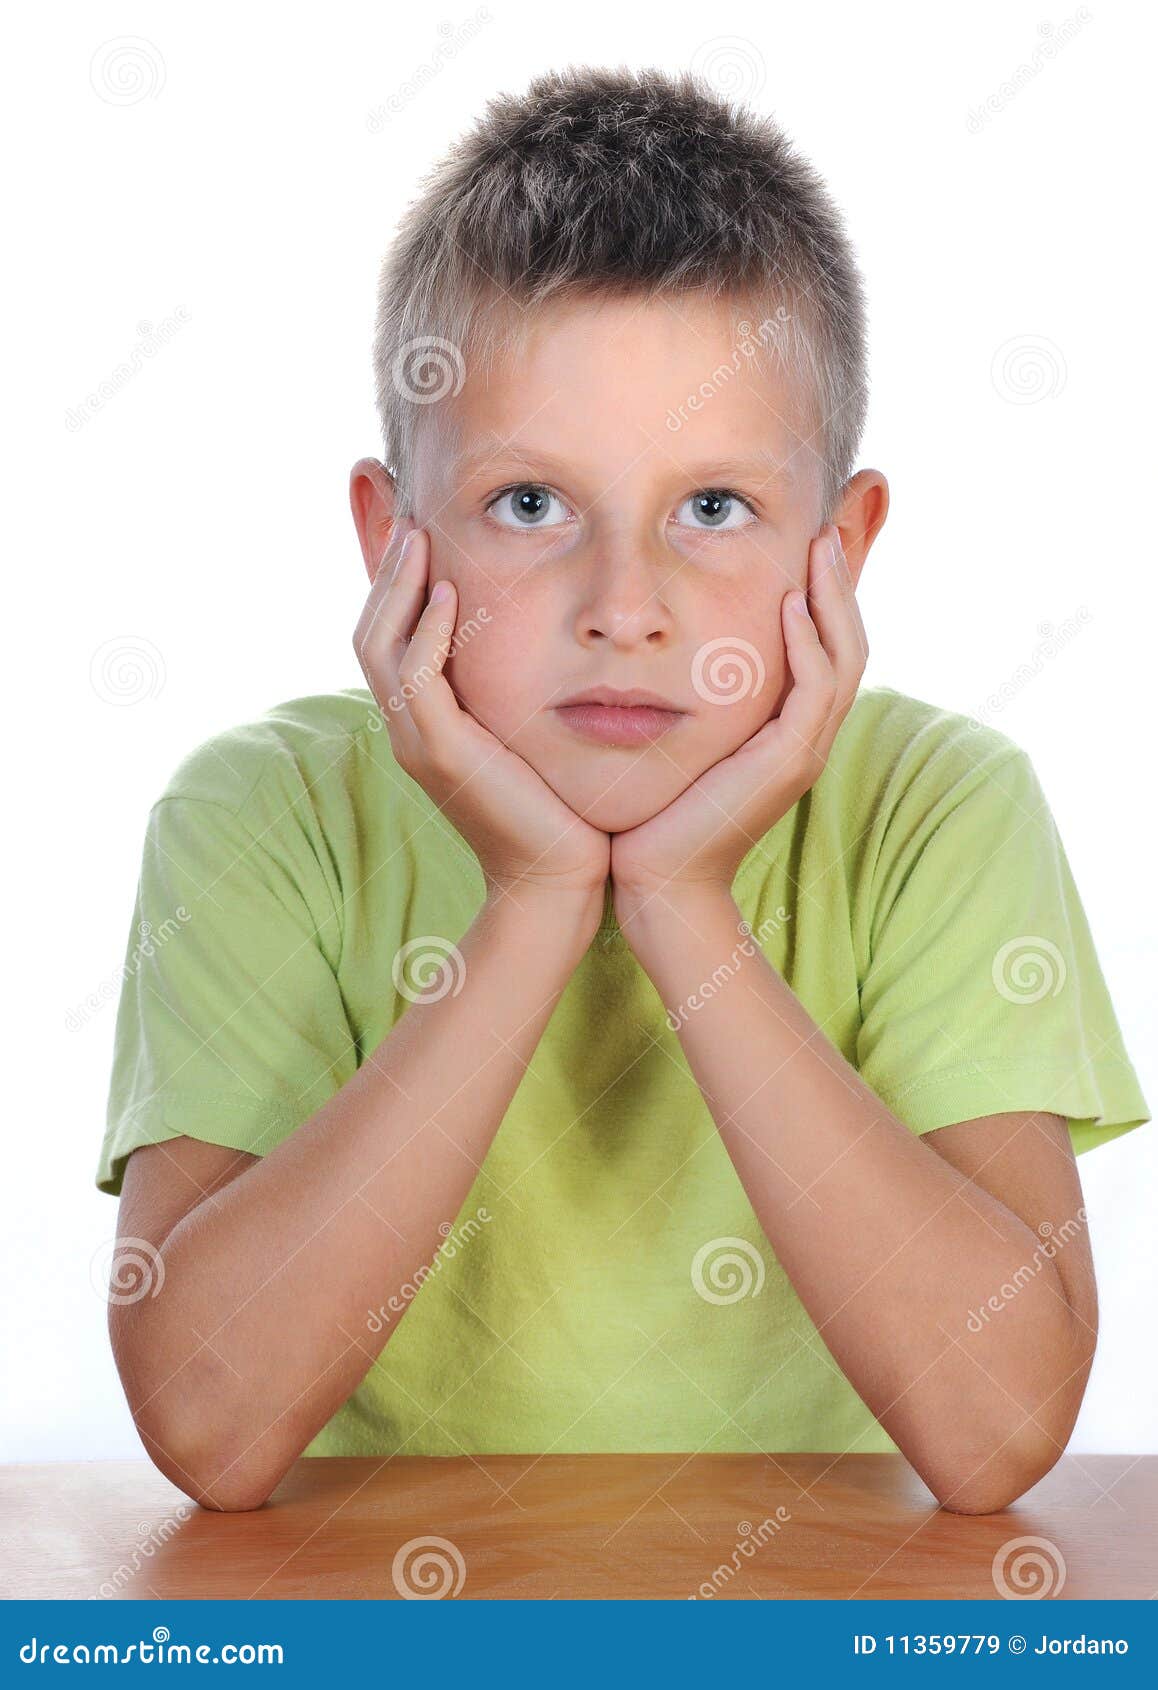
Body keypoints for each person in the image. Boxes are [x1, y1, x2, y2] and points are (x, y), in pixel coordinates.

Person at [97, 65, 1149, 1515]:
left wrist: (676, 898)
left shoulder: (936, 804)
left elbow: (998, 1431)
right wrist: (532, 900)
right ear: (391, 537)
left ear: (838, 550)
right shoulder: (261, 813)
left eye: (710, 509)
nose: (624, 606)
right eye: (529, 505)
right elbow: (209, 1430)